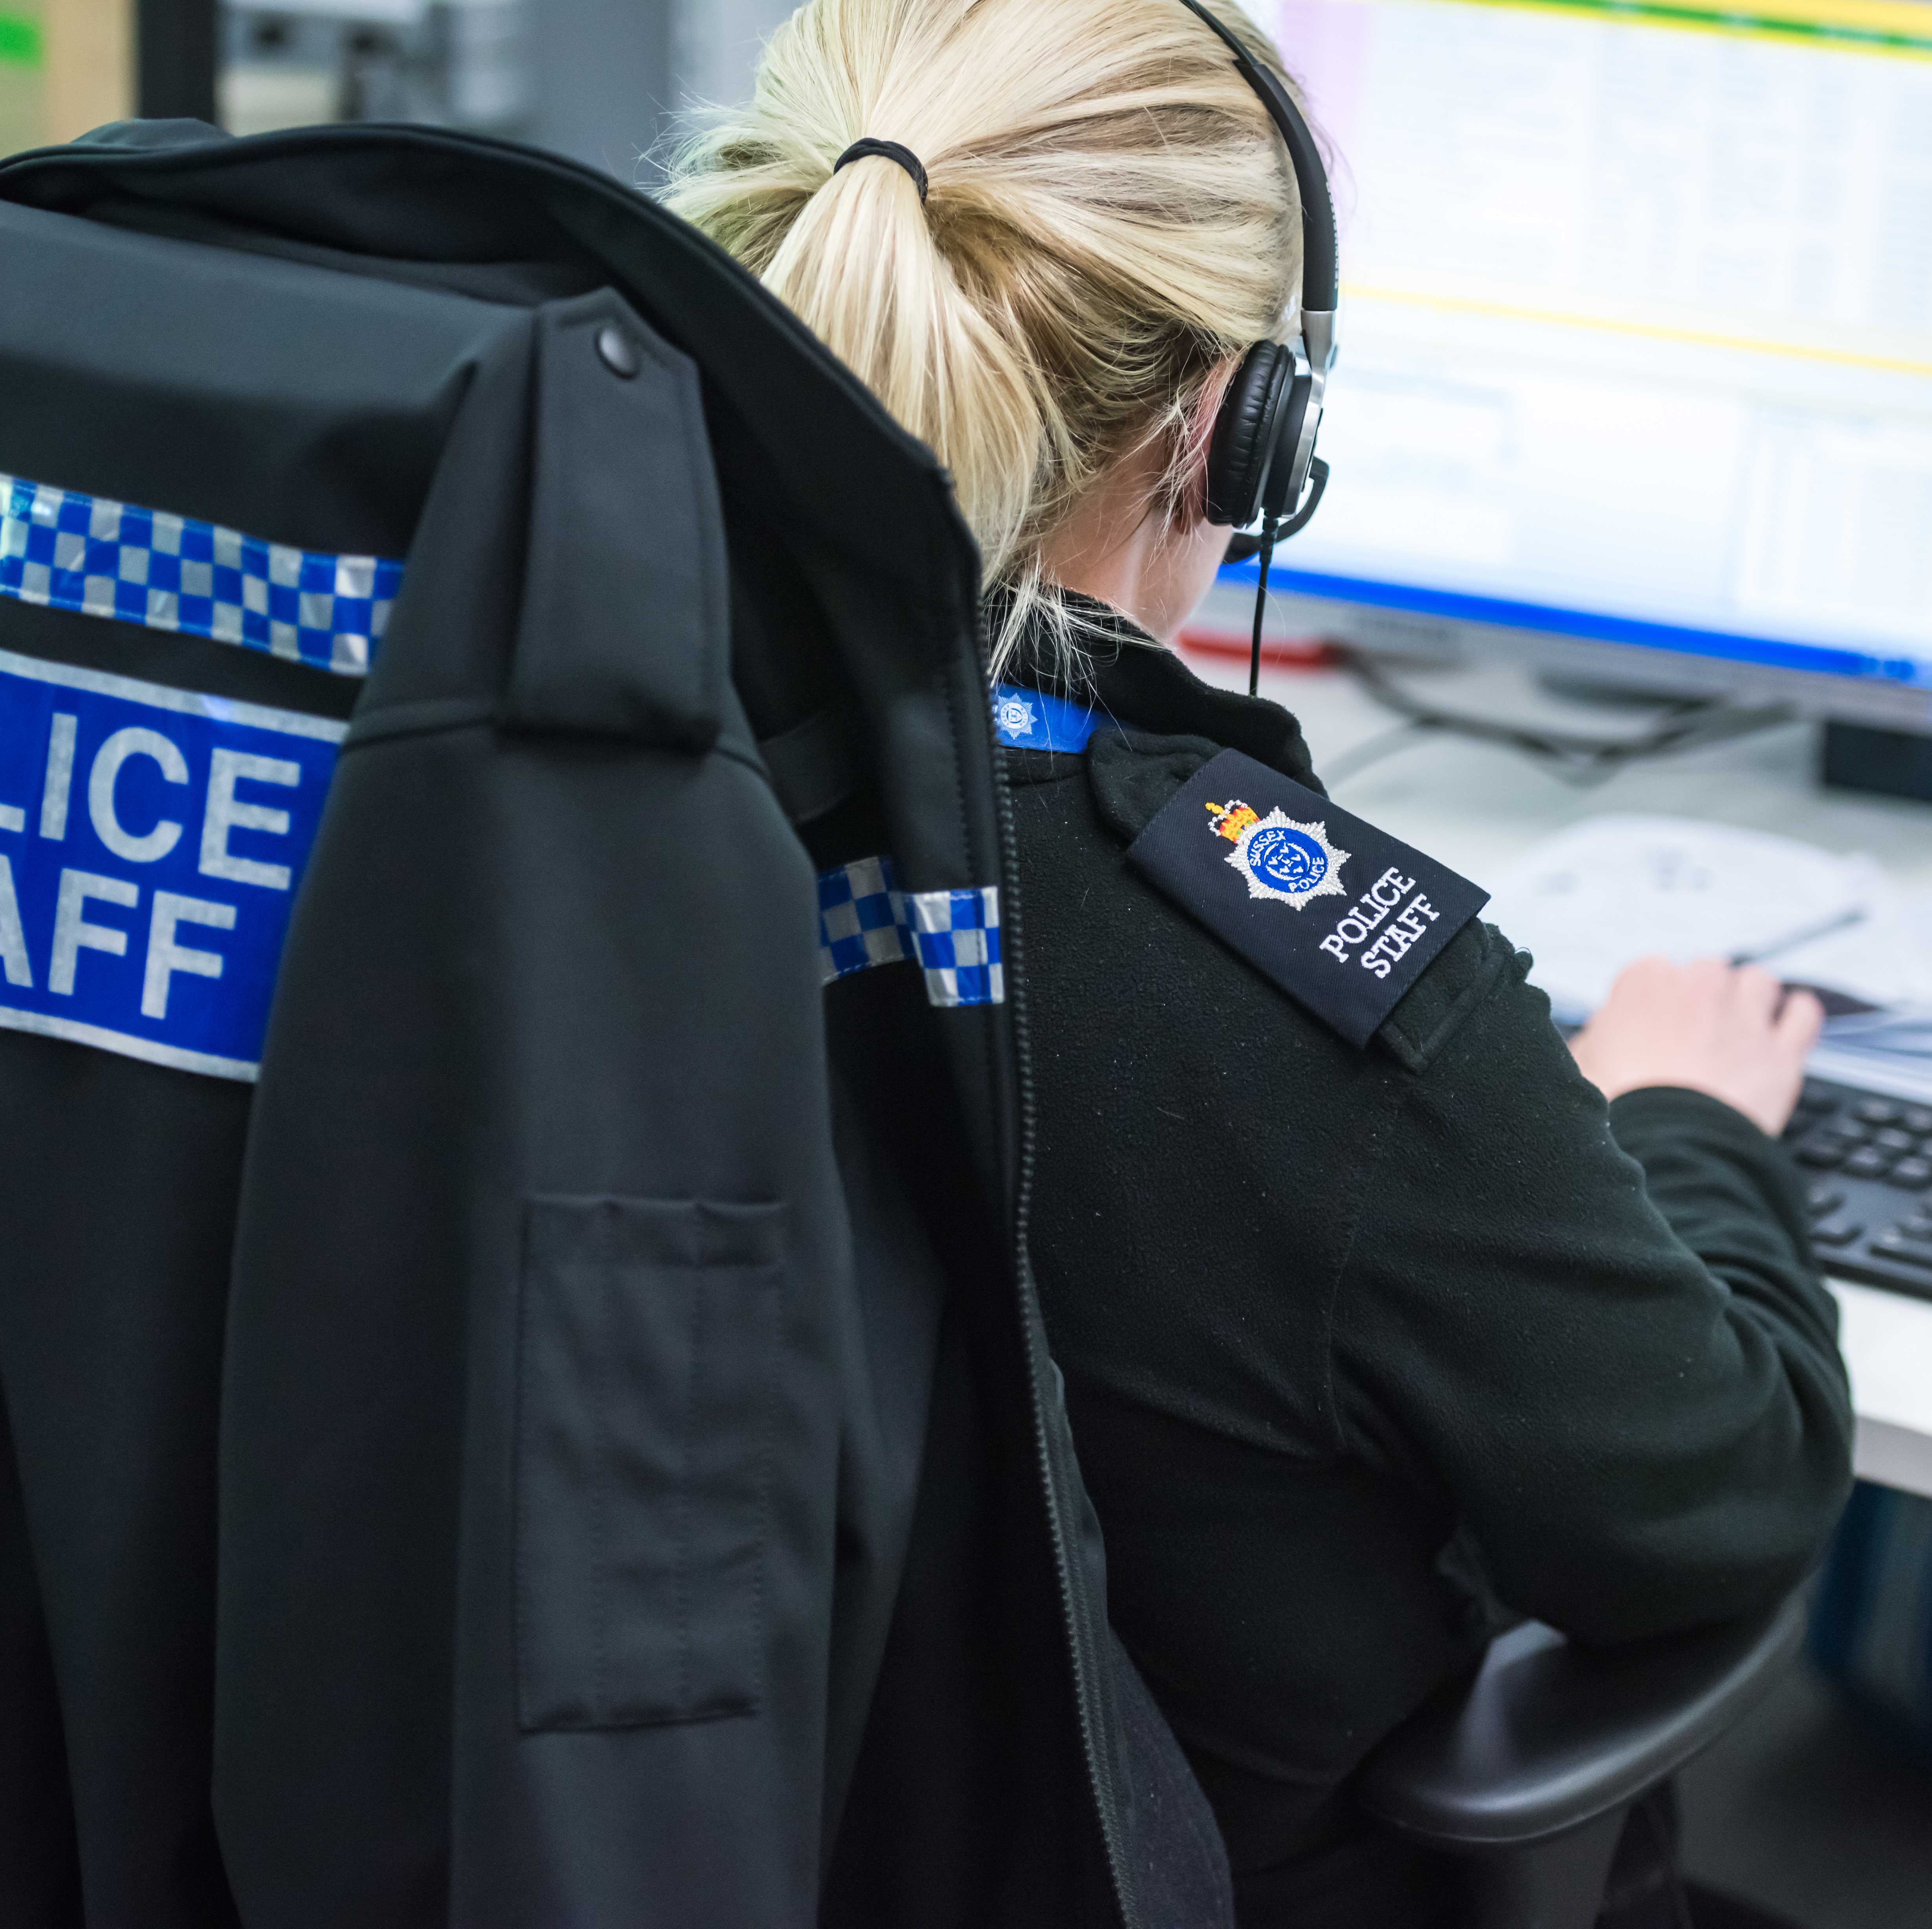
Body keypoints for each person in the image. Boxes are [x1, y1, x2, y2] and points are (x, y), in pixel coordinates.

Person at [669, 4, 1855, 1923]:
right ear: (1239, 432)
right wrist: (1691, 1122)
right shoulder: (1306, 992)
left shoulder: (557, 795)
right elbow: (1714, 1496)